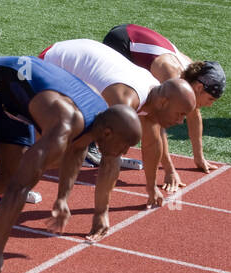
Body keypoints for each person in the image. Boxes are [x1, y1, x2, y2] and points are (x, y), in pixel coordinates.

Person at [0, 55, 141, 273]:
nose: (124, 152)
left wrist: (62, 198)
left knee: (5, 180)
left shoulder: (98, 115)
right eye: (125, 145)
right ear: (107, 133)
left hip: (16, 96)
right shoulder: (64, 125)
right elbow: (19, 190)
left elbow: (78, 149)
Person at [36, 40, 197, 208]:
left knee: (73, 141)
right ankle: (11, 182)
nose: (180, 122)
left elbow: (151, 143)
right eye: (180, 114)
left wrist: (151, 188)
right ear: (163, 103)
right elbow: (109, 161)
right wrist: (100, 215)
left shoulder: (155, 96)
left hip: (77, 60)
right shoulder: (125, 101)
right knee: (54, 143)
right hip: (52, 62)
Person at [96, 24, 226, 173]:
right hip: (122, 42)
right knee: (121, 101)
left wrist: (199, 157)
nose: (210, 105)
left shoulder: (192, 75)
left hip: (133, 34)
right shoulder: (171, 76)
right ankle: (92, 146)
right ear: (199, 88)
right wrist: (169, 170)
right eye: (210, 99)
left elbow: (194, 114)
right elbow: (156, 123)